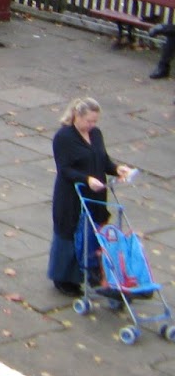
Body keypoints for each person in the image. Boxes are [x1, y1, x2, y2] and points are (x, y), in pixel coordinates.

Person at [48, 97, 133, 297]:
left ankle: (90, 272)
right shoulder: (64, 137)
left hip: (96, 194)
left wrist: (116, 169)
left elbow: (102, 159)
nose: (92, 125)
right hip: (72, 196)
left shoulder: (96, 134)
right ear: (77, 116)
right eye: (89, 121)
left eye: (95, 121)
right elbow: (65, 169)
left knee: (94, 231)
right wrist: (86, 179)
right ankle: (63, 278)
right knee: (68, 234)